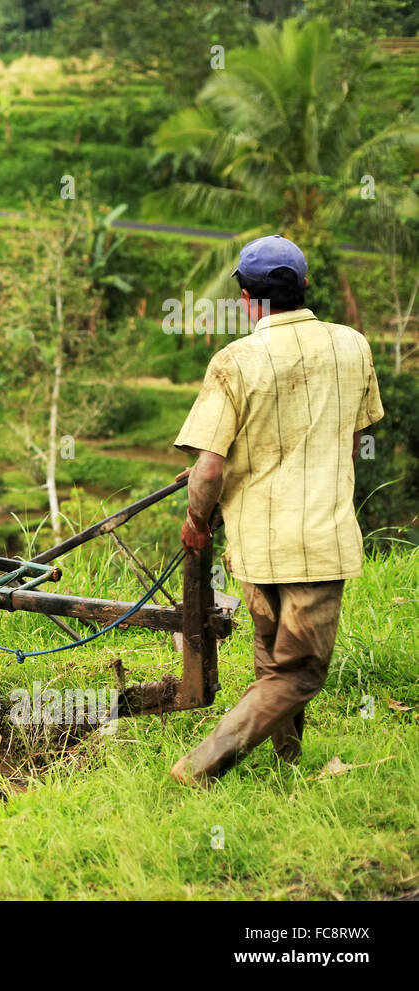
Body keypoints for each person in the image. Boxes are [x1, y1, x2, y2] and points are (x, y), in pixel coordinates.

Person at [170, 234, 384, 786]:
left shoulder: (235, 361)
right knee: (301, 672)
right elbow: (348, 429)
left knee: (275, 666)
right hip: (318, 540)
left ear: (245, 297)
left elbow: (210, 468)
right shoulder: (352, 346)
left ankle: (286, 768)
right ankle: (200, 766)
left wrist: (197, 522)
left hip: (256, 544)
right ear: (305, 286)